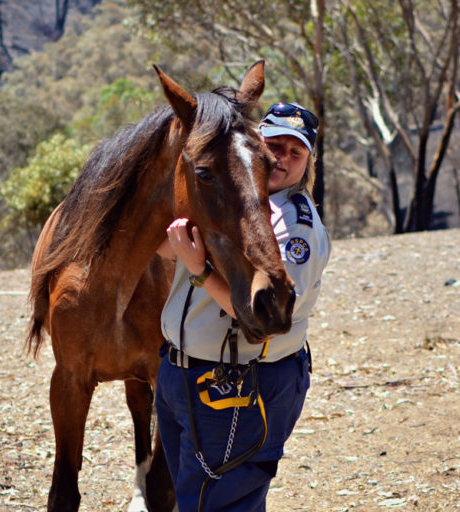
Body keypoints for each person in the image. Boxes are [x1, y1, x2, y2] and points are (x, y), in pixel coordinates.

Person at [155, 102, 330, 511]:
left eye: (296, 151)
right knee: (194, 498)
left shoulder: (294, 224)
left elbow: (267, 315)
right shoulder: (230, 199)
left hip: (240, 383)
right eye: (275, 147)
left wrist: (200, 271)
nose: (282, 159)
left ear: (309, 162)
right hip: (182, 372)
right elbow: (167, 248)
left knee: (219, 502)